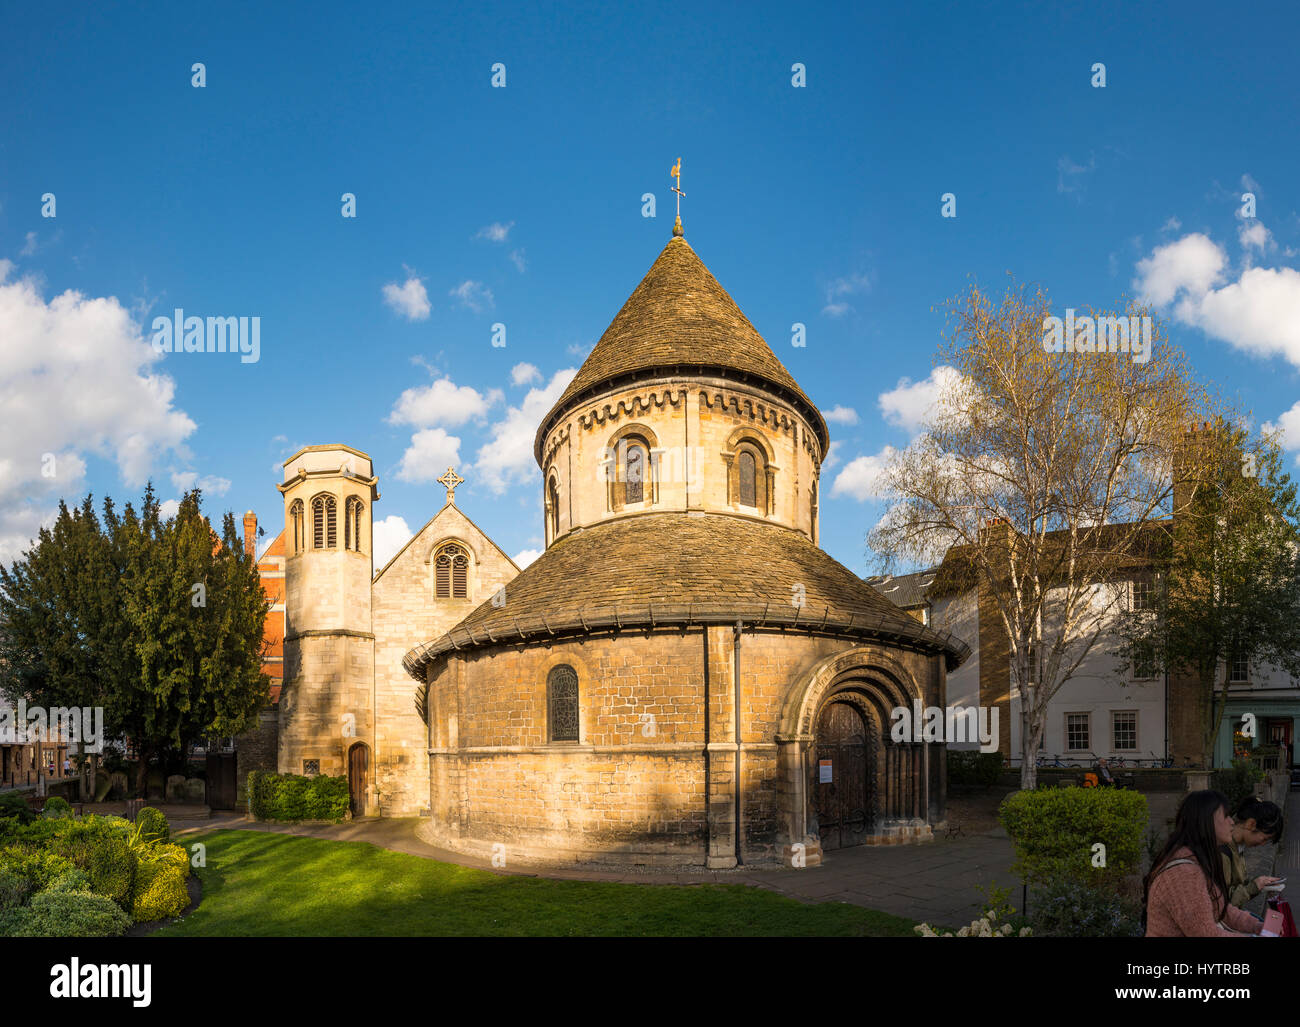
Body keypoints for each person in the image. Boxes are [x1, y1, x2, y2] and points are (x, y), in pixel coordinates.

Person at [1144, 790, 1265, 937]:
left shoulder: (1198, 858)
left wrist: (1258, 927)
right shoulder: (1184, 874)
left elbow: (1222, 909)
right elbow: (1206, 933)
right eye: (1226, 816)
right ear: (1206, 821)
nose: (1232, 822)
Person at [1221, 797, 1284, 908]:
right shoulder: (1223, 851)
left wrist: (1261, 884)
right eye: (1264, 838)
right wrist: (1254, 886)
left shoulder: (1238, 847)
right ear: (1250, 824)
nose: (1263, 844)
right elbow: (1222, 903)